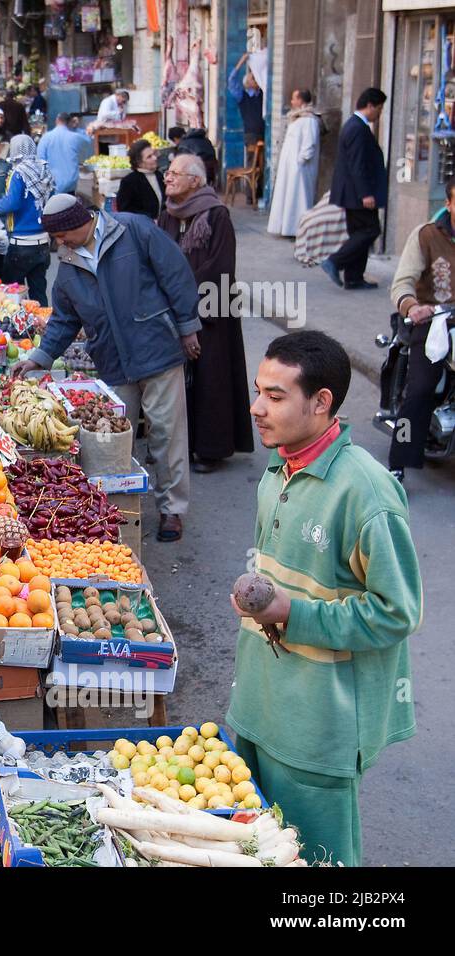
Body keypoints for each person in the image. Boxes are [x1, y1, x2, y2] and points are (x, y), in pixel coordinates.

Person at [228, 330, 420, 867]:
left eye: (275, 395)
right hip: (259, 707)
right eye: (258, 391)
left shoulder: (368, 493)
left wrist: (292, 612)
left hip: (319, 727)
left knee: (318, 871)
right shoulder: (277, 468)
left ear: (321, 402)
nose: (257, 408)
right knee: (255, 850)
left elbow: (396, 612)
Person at [16, 194, 201, 542]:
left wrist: (188, 326)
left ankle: (171, 510)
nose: (59, 243)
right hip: (113, 360)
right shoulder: (69, 264)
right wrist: (40, 357)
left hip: (155, 346)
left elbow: (175, 273)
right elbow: (64, 318)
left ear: (79, 222)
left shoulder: (134, 230)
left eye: (62, 235)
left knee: (166, 433)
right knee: (111, 440)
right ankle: (118, 511)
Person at [158, 153, 254, 471]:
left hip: (211, 307)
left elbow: (221, 266)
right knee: (175, 380)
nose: (167, 178)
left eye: (175, 173)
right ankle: (179, 446)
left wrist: (186, 299)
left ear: (195, 181)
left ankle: (211, 449)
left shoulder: (216, 215)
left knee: (211, 376)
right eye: (167, 173)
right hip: (173, 306)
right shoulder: (168, 213)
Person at [386, 175, 455, 482]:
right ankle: (398, 462)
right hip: (434, 321)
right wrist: (412, 306)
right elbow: (402, 281)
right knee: (421, 388)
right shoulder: (426, 235)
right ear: (449, 203)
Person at [324, 88, 388, 290]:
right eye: (378, 108)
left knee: (359, 233)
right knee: (370, 230)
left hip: (353, 193)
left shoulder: (355, 126)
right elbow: (357, 164)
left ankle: (354, 278)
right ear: (370, 106)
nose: (379, 114)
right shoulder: (357, 128)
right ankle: (335, 261)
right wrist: (365, 194)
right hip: (357, 194)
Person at [0, 135, 54, 306]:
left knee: (13, 294)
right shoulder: (43, 169)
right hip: (43, 242)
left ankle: (18, 328)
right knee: (38, 291)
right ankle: (43, 325)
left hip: (22, 244)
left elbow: (12, 203)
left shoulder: (19, 173)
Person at [267, 89, 323, 237]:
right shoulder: (297, 118)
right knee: (288, 197)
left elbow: (309, 144)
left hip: (300, 169)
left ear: (301, 100)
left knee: (299, 198)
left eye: (294, 99)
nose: (291, 102)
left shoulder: (310, 119)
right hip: (290, 168)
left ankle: (300, 229)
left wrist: (300, 162)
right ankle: (287, 228)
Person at [36, 113, 94, 195]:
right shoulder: (75, 137)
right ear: (70, 122)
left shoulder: (45, 138)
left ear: (57, 120)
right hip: (70, 184)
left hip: (51, 185)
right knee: (68, 206)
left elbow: (40, 161)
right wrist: (76, 128)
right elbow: (88, 141)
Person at [115, 138, 165, 219]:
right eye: (149, 157)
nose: (155, 158)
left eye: (154, 154)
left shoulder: (159, 175)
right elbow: (125, 210)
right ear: (139, 162)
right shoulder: (129, 182)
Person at [227, 52, 265, 147]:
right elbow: (231, 81)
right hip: (251, 134)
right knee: (252, 160)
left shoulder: (262, 93)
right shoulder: (243, 96)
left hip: (264, 132)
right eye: (253, 78)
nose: (256, 80)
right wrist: (241, 62)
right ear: (247, 83)